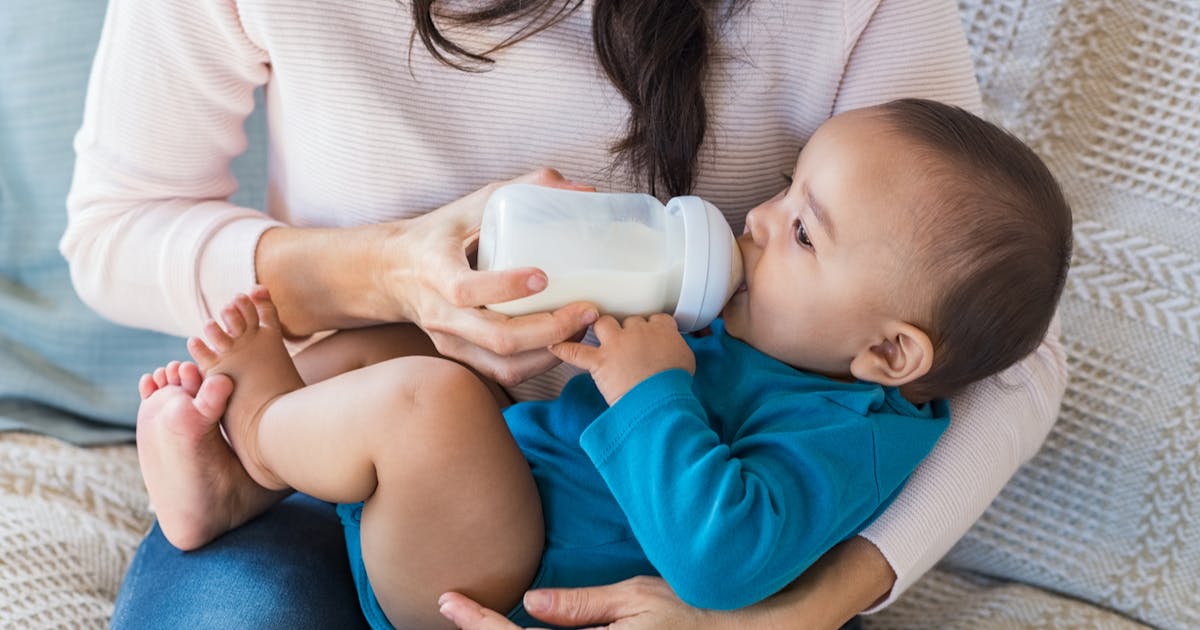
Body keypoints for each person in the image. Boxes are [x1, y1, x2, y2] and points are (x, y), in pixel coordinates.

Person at [62, 0, 1070, 627]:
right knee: (391, 350)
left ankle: (259, 434)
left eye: (801, 226)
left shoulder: (835, 398)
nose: (756, 220)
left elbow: (997, 352)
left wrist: (796, 613)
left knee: (425, 403)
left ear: (887, 352)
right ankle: (242, 473)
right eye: (782, 189)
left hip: (530, 567)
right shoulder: (767, 341)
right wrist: (384, 269)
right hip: (436, 483)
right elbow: (114, 227)